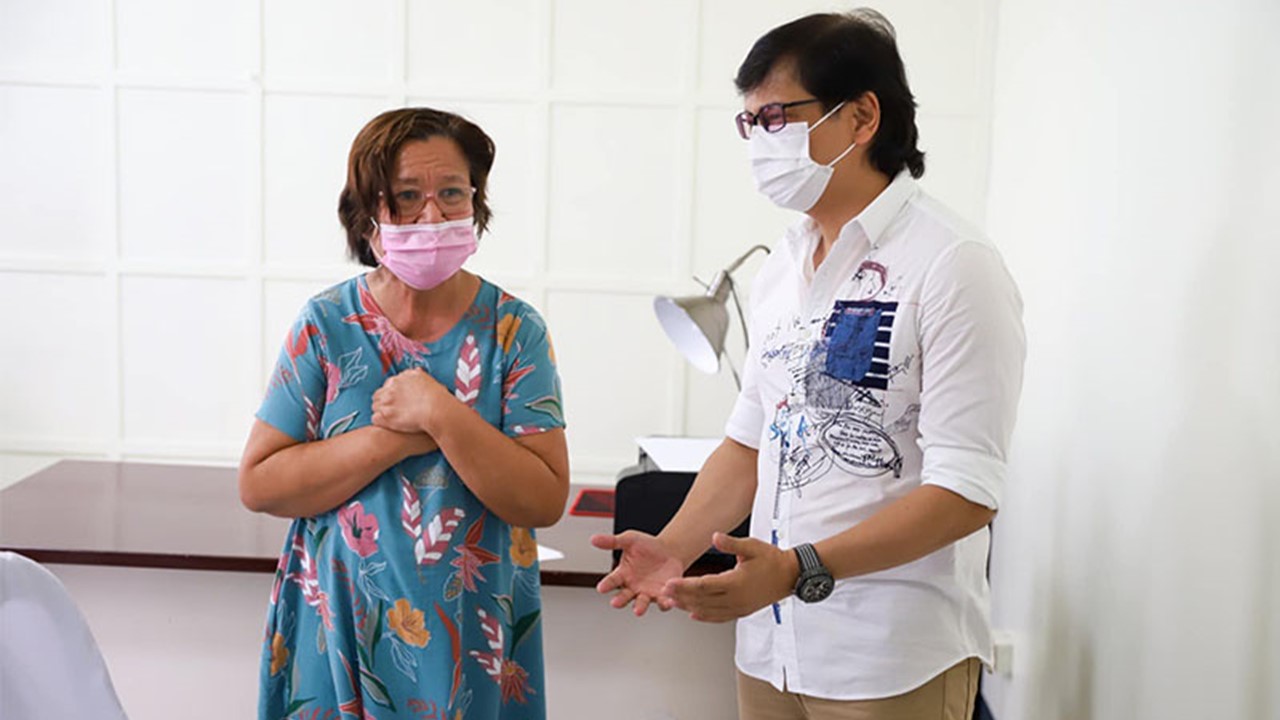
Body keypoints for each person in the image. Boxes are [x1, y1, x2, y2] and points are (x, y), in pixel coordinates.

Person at [592, 10, 1025, 719]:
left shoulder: (952, 265)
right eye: (750, 122)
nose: (761, 141)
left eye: (777, 118)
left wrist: (799, 568)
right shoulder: (783, 267)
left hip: (889, 658)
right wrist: (672, 547)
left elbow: (966, 491)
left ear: (861, 117)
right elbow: (748, 445)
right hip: (772, 648)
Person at [239, 107, 568, 720]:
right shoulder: (326, 325)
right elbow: (261, 483)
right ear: (368, 212)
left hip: (472, 636)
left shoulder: (514, 330)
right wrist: (395, 439)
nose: (432, 215)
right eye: (407, 196)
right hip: (336, 628)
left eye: (452, 194)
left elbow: (544, 498)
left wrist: (442, 414)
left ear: (477, 202)